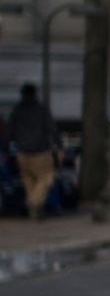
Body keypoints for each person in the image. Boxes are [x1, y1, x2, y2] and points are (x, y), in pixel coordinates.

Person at [8, 82, 60, 221]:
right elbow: (51, 128)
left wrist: (10, 147)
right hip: (40, 150)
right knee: (46, 178)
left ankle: (35, 208)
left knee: (28, 180)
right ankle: (34, 202)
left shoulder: (17, 110)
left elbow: (10, 131)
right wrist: (59, 144)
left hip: (22, 151)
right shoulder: (41, 109)